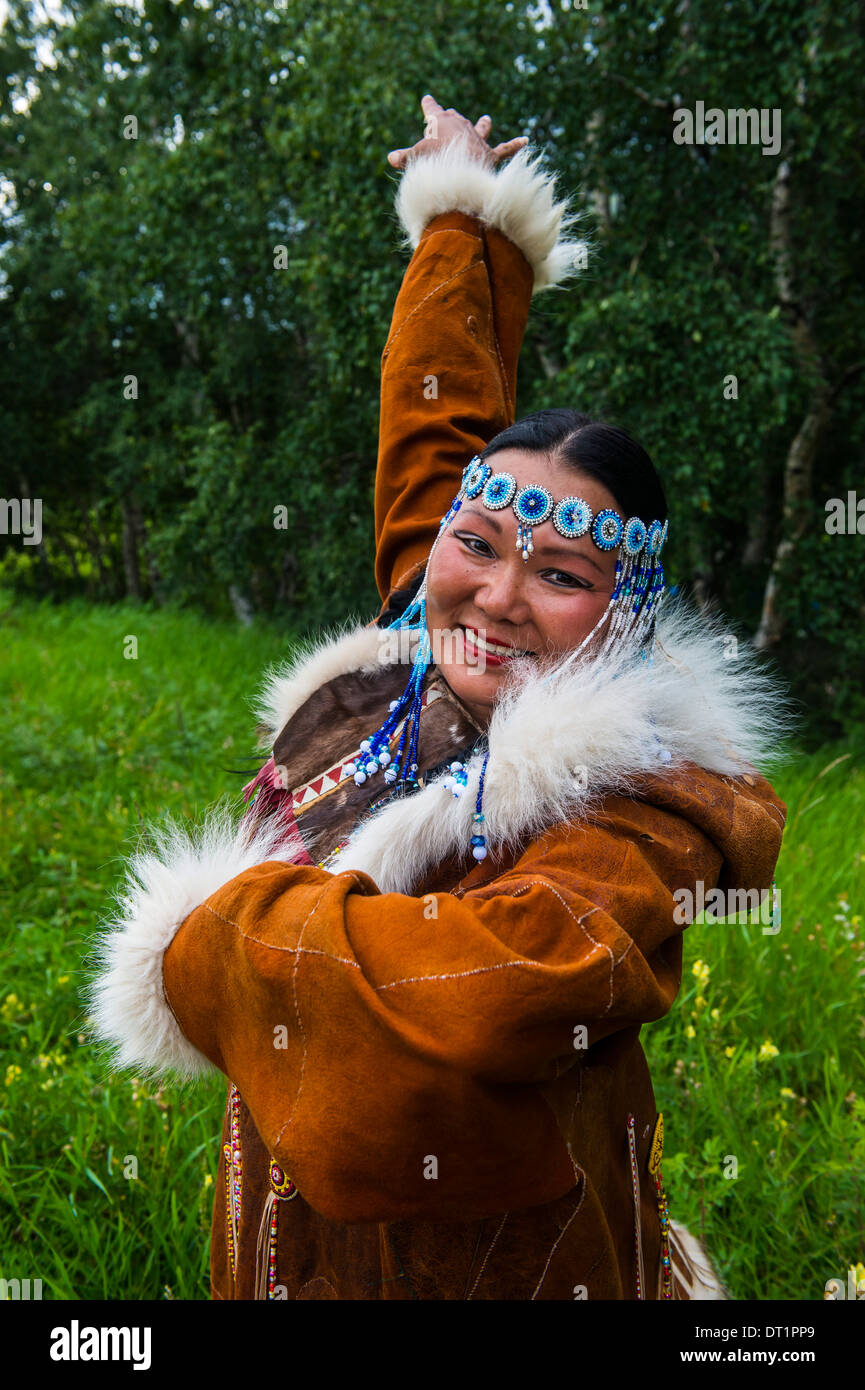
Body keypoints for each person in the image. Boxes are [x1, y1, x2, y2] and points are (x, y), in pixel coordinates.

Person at [90, 96, 787, 1300]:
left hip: (503, 1264)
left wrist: (208, 942)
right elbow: (436, 423)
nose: (500, 597)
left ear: (620, 613)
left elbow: (478, 992)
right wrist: (466, 219)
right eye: (478, 544)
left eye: (562, 573)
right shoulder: (430, 638)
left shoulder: (654, 809)